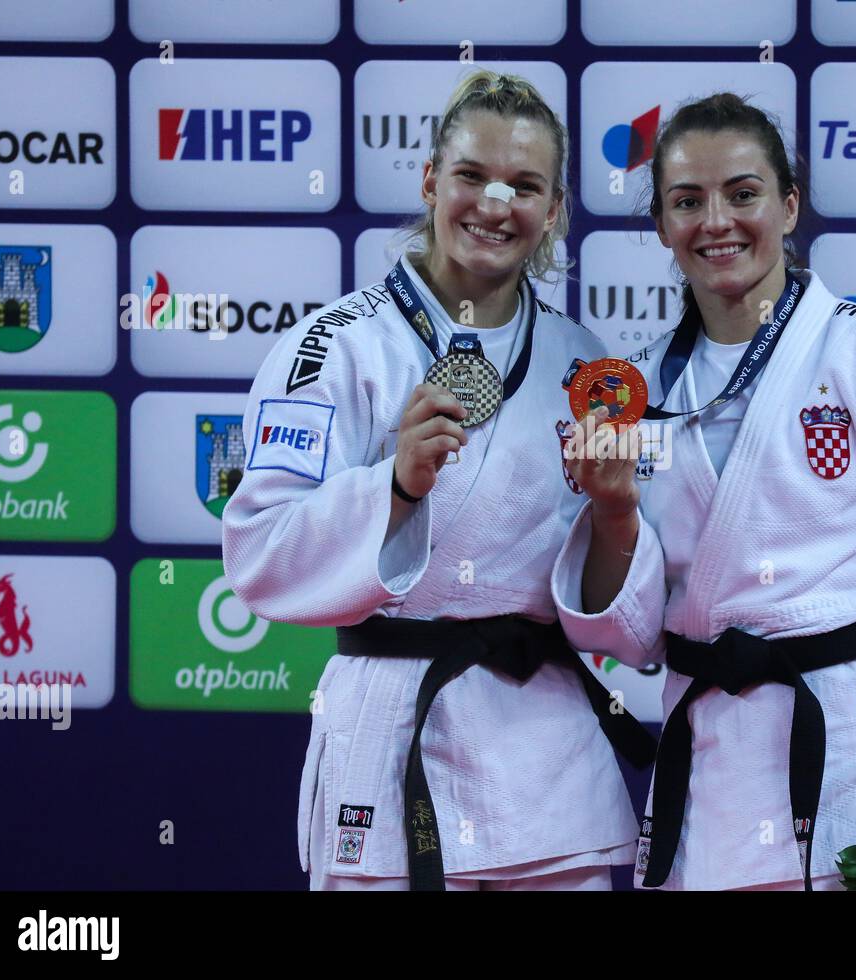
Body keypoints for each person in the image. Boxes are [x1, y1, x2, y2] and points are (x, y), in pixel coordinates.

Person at [552, 93, 856, 891]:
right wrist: (612, 509)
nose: (717, 221)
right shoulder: (633, 393)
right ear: (662, 226)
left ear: (789, 204)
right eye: (687, 201)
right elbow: (629, 637)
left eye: (743, 193)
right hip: (709, 770)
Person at [221, 70, 652, 892]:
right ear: (429, 181)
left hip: (547, 763)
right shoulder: (334, 348)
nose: (495, 204)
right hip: (389, 741)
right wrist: (395, 486)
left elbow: (618, 623)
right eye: (471, 176)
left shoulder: (585, 363)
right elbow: (260, 557)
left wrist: (616, 512)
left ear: (554, 210)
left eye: (525, 185)